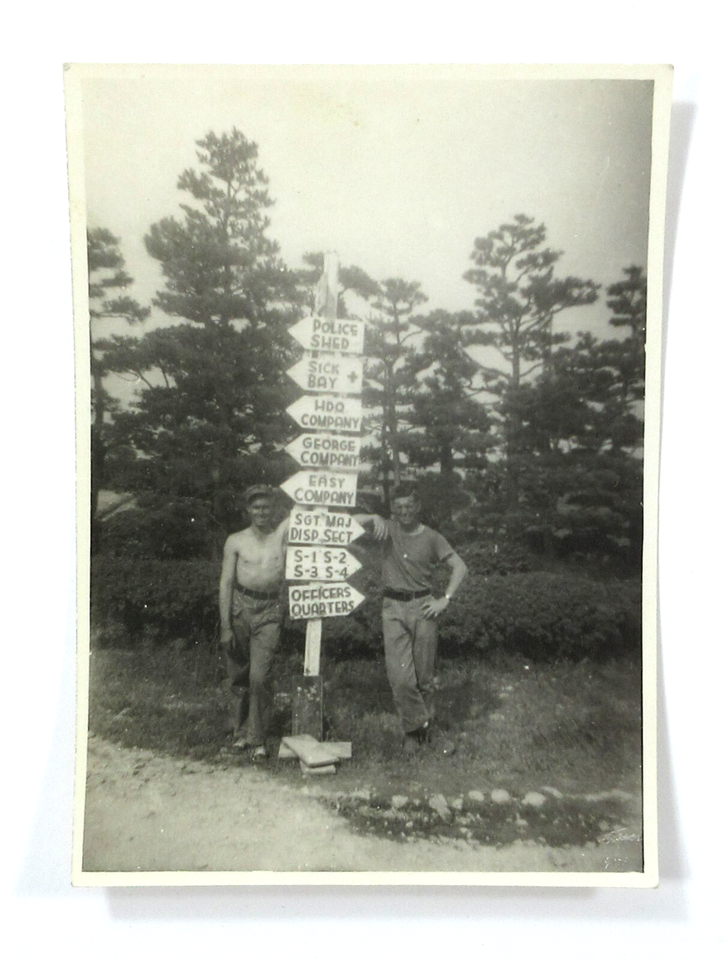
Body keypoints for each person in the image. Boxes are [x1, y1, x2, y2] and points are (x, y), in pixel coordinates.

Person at [356, 483, 468, 754]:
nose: (404, 512)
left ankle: (415, 735)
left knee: (425, 677)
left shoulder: (432, 537)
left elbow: (460, 566)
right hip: (392, 608)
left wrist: (445, 599)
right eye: (398, 507)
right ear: (393, 509)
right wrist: (372, 517)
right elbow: (346, 523)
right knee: (400, 678)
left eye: (409, 506)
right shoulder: (387, 530)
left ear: (418, 507)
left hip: (423, 607)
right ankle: (426, 731)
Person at [218, 485, 289, 760]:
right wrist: (225, 626)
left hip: (270, 610)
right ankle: (239, 733)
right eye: (256, 507)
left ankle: (257, 737)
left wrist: (372, 519)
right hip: (240, 609)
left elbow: (311, 514)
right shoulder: (235, 540)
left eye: (266, 507)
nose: (261, 512)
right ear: (248, 510)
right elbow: (225, 583)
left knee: (259, 677)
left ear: (274, 510)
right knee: (238, 675)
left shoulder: (280, 535)